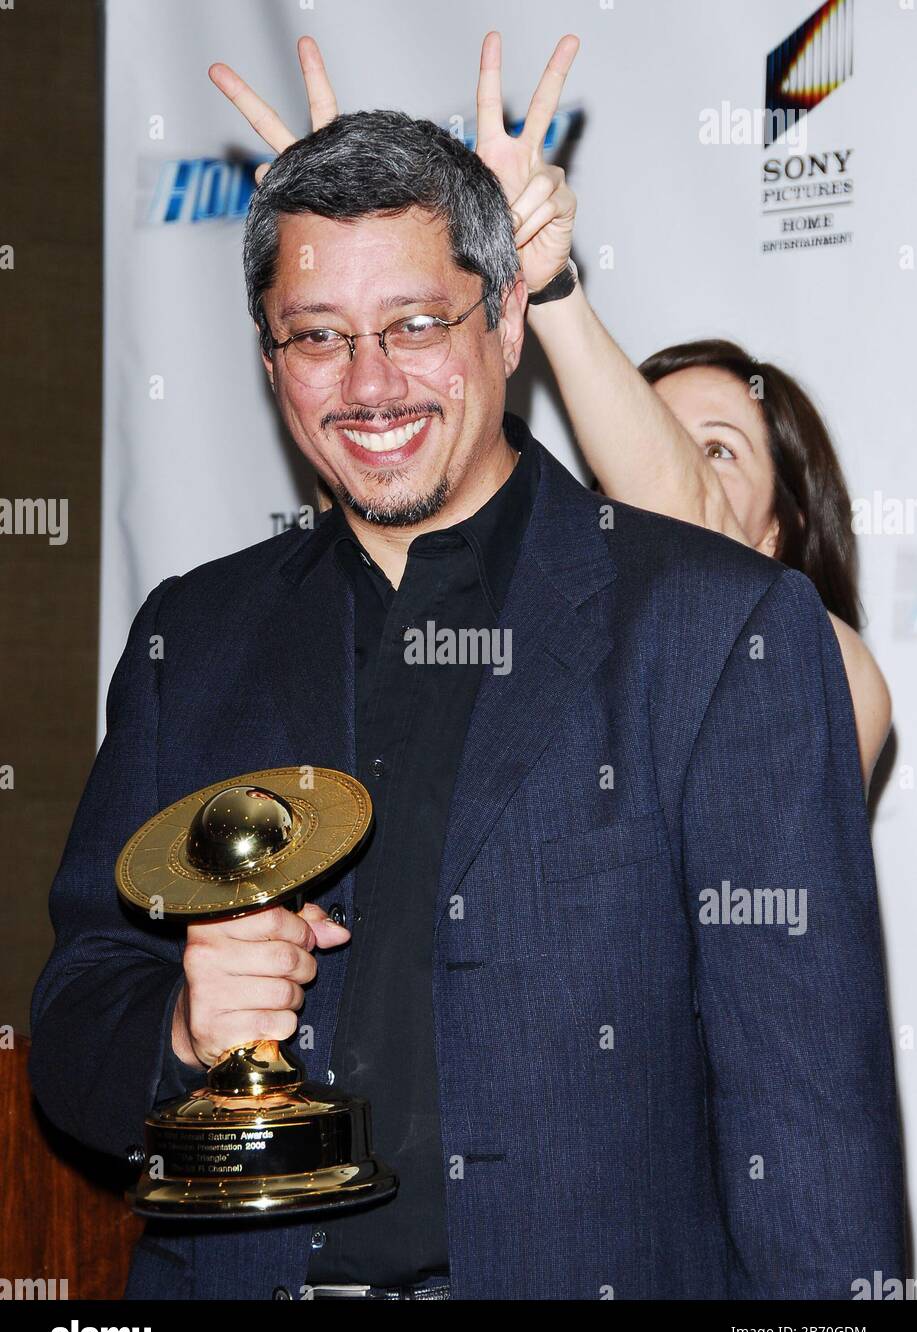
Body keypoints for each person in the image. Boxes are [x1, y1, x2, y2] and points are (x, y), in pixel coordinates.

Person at [30, 78, 904, 1300]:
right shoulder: (196, 631)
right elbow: (73, 1028)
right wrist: (179, 1030)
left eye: (416, 323)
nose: (368, 381)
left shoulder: (714, 632)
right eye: (317, 332)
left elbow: (811, 1134)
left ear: (504, 324)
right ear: (269, 356)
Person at [211, 34, 891, 787]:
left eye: (718, 450)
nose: (651, 472)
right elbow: (371, 488)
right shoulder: (527, 631)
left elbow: (690, 539)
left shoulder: (831, 666)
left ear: (780, 528)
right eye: (635, 442)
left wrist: (544, 280)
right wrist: (345, 244)